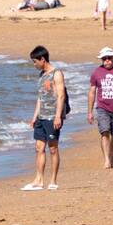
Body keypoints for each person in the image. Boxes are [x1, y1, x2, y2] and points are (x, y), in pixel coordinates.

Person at [23, 45, 66, 191]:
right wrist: (34, 117)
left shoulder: (57, 73)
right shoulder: (41, 75)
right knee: (38, 148)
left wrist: (58, 116)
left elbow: (61, 95)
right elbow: (40, 97)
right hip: (41, 117)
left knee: (53, 148)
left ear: (42, 59)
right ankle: (39, 180)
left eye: (35, 61)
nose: (34, 65)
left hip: (53, 116)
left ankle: (53, 180)